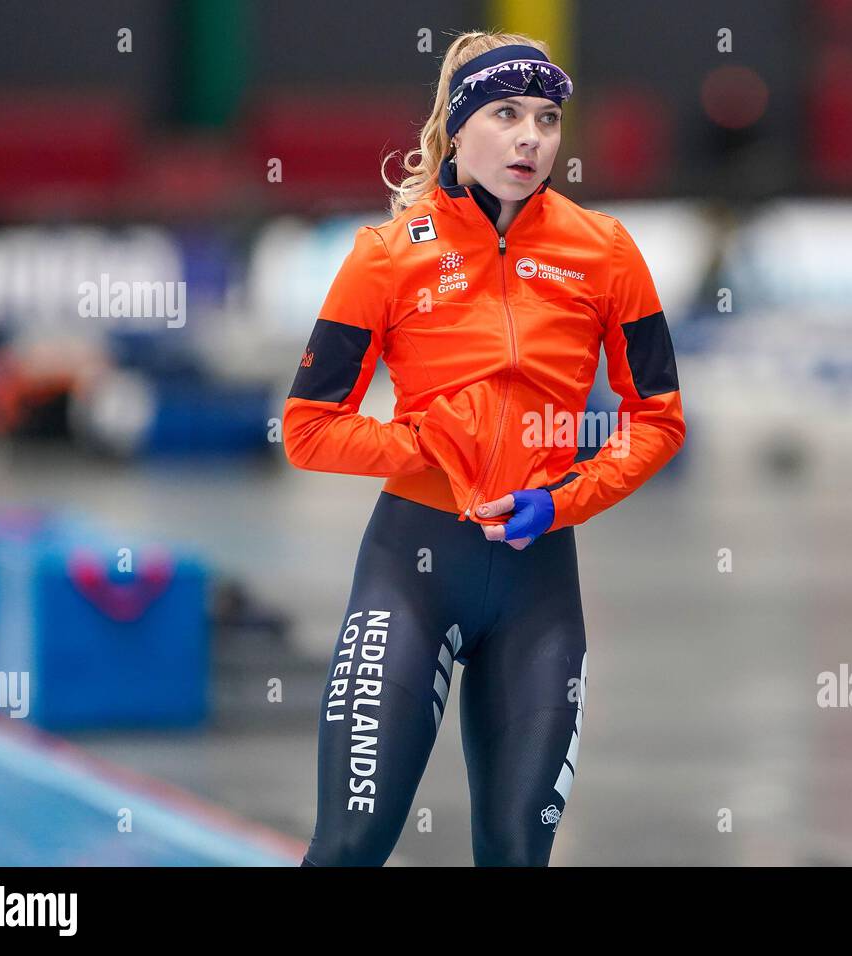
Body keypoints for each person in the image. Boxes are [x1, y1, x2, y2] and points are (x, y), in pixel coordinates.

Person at [282, 30, 686, 866]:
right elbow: (308, 428)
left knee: (514, 852)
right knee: (350, 844)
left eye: (546, 118)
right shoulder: (385, 257)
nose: (530, 137)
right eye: (505, 114)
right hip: (411, 570)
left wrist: (564, 498)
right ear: (458, 127)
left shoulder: (604, 250)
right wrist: (422, 444)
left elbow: (659, 418)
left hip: (539, 580)